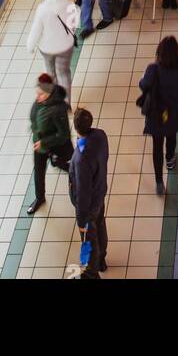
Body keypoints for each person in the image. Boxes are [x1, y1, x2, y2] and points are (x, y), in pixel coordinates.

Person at [138, 34, 178, 194]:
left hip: (156, 112)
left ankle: (159, 181)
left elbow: (143, 85)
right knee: (172, 135)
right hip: (173, 110)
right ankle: (170, 159)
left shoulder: (152, 69)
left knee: (156, 145)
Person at [69, 107, 109, 279]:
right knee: (100, 225)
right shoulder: (100, 135)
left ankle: (91, 273)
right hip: (100, 193)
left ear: (76, 129)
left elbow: (83, 191)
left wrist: (81, 218)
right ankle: (101, 260)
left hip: (87, 205)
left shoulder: (81, 159)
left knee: (88, 240)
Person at [27, 73, 73, 216]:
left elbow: (63, 134)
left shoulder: (58, 109)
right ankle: (40, 198)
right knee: (39, 172)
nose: (37, 96)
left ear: (49, 93)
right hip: (40, 146)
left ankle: (81, 175)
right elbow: (34, 120)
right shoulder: (39, 102)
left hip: (56, 147)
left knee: (66, 166)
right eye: (37, 93)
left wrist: (44, 141)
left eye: (41, 94)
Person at [26, 0, 78, 104]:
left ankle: (52, 101)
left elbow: (36, 29)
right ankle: (66, 104)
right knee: (64, 74)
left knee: (50, 74)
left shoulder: (42, 8)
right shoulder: (70, 5)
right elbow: (74, 25)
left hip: (47, 48)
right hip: (65, 46)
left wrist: (30, 46)